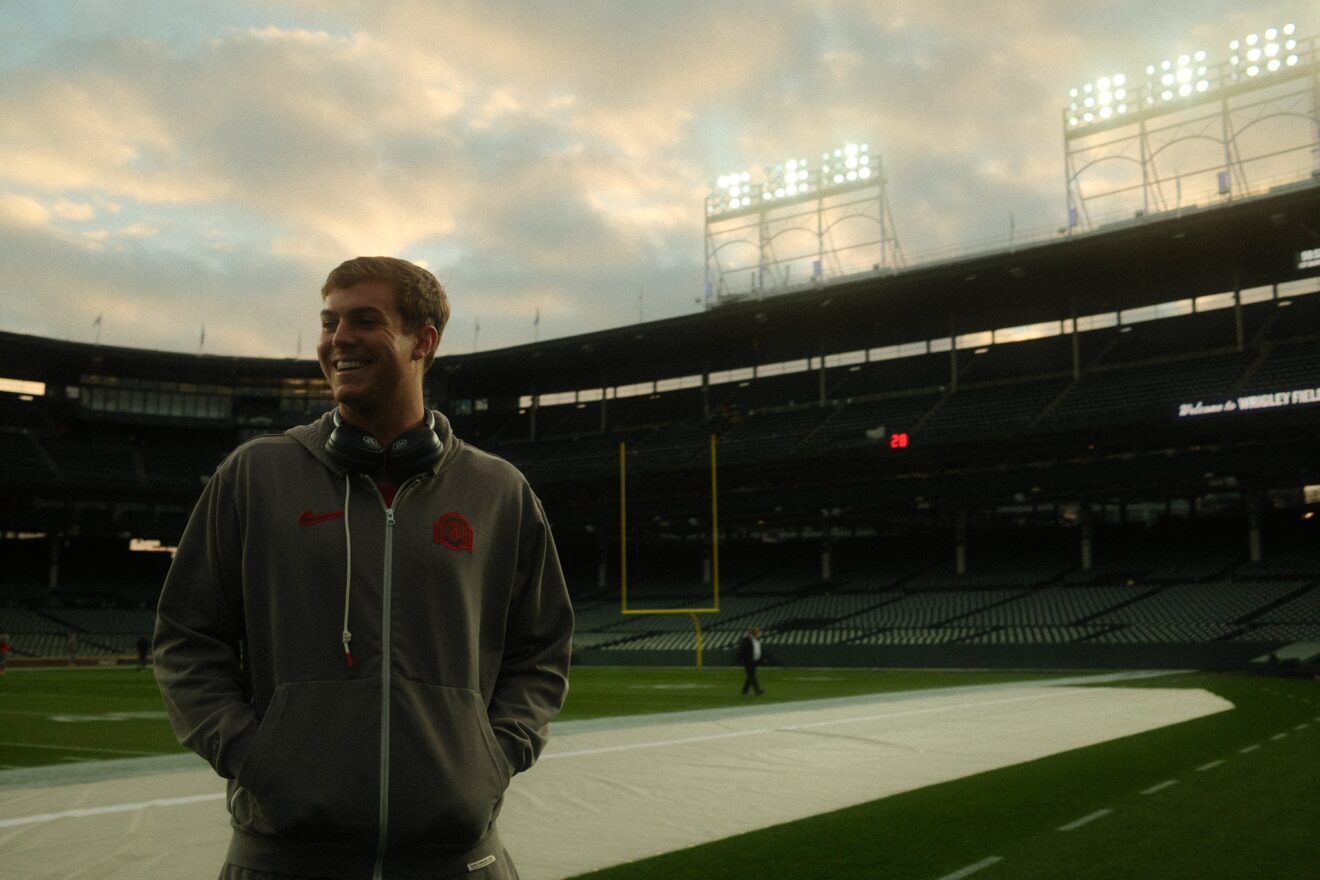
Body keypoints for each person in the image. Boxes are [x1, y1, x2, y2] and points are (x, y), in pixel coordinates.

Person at [154, 256, 574, 880]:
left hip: (457, 860)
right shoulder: (256, 475)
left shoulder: (498, 491)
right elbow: (187, 638)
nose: (338, 339)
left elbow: (541, 649)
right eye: (330, 322)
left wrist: (490, 758)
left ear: (423, 341)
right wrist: (254, 756)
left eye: (365, 321)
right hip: (282, 860)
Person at [737, 626, 764, 695]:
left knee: (750, 676)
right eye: (757, 632)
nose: (759, 633)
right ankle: (757, 690)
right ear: (753, 633)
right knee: (752, 675)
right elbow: (742, 650)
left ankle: (745, 690)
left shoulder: (756, 640)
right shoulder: (746, 640)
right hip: (748, 661)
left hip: (755, 660)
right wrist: (744, 659)